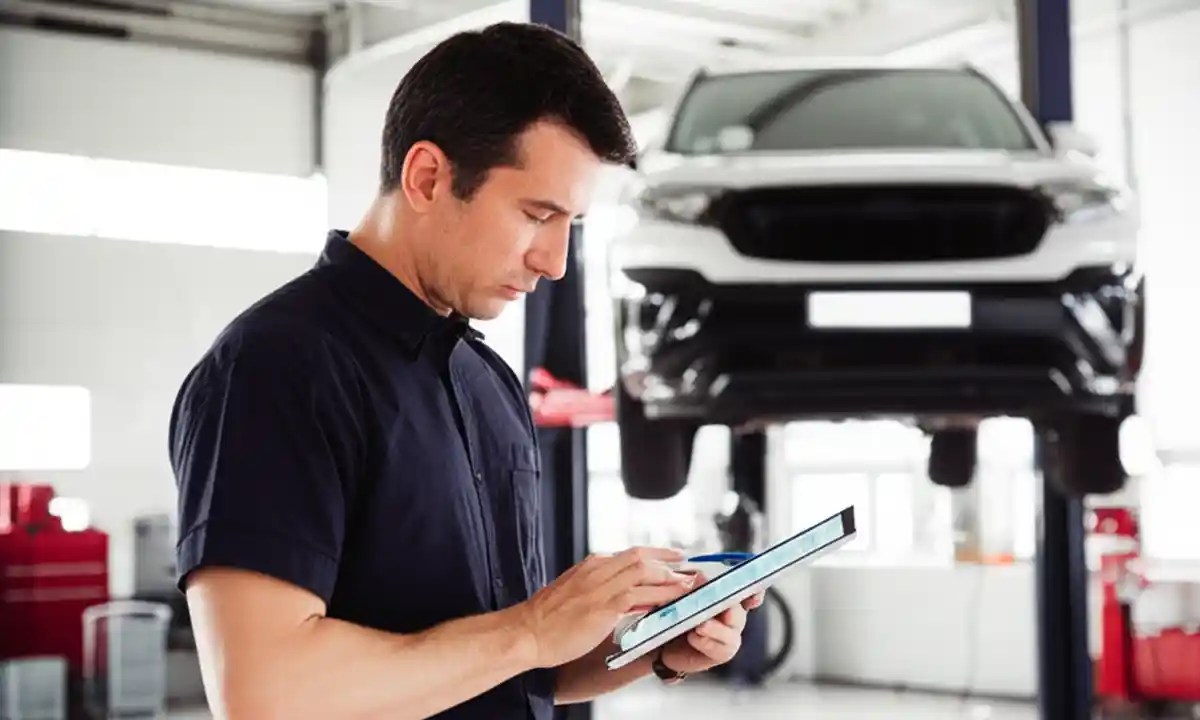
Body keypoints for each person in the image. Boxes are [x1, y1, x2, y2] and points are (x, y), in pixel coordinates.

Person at [167, 21, 762, 720]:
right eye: (537, 215)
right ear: (427, 177)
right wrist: (531, 628)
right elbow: (266, 693)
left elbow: (520, 669)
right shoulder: (274, 368)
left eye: (570, 225)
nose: (555, 262)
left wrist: (651, 641)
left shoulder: (487, 382)